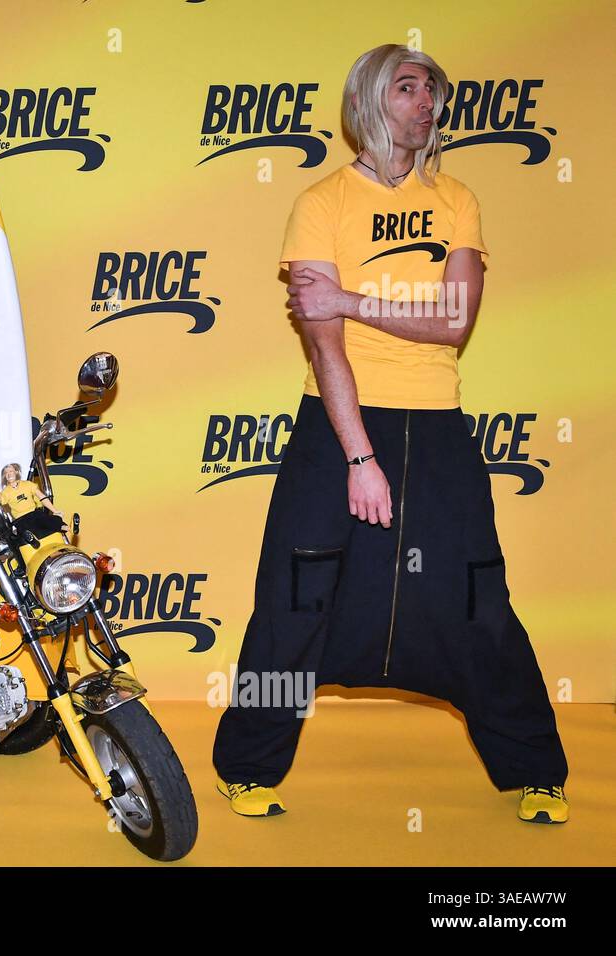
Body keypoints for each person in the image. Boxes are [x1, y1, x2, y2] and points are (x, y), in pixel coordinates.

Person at [210, 43, 569, 824]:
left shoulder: (458, 199)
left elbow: (454, 321)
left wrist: (349, 300)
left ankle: (536, 772)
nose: (426, 102)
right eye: (408, 87)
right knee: (293, 599)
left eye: (431, 90)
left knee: (479, 602)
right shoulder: (321, 202)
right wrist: (359, 456)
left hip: (435, 427)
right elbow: (324, 346)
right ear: (368, 101)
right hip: (338, 425)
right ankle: (248, 766)